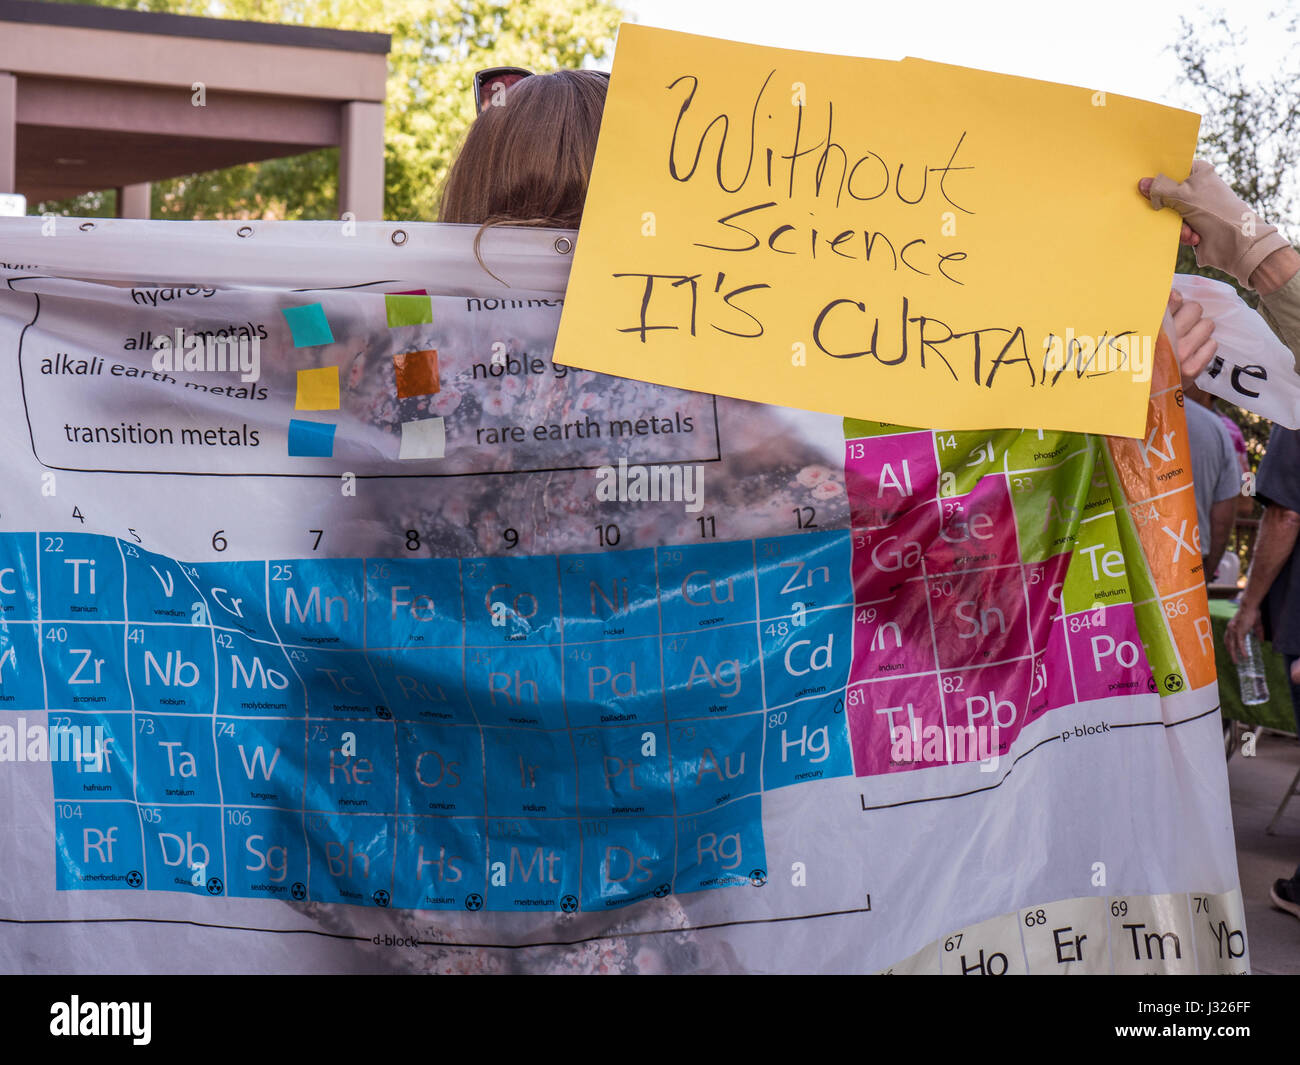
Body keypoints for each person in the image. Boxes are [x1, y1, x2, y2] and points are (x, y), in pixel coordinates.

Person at [1141, 160, 1300, 922]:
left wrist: (1249, 246)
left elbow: (1278, 512)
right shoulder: (1226, 433)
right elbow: (1241, 508)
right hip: (1184, 579)